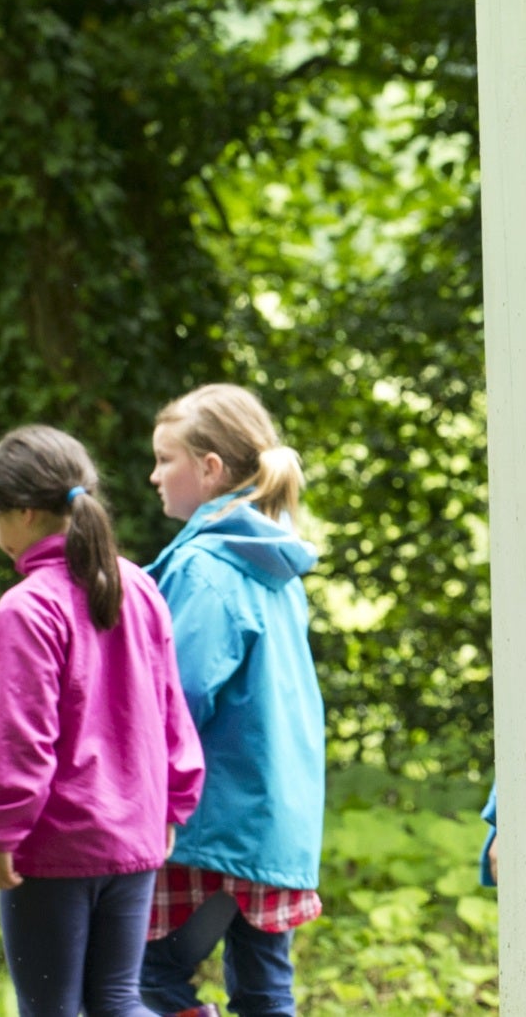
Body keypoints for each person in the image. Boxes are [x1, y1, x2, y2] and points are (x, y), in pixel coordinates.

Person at [0, 426, 203, 1017]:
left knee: (51, 1009)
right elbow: (173, 709)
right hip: (137, 837)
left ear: (21, 514)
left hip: (57, 845)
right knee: (117, 1003)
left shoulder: (27, 608)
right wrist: (171, 806)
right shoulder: (140, 587)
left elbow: (24, 743)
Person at [138, 385, 329, 1017]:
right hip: (275, 823)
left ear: (210, 468)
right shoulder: (274, 564)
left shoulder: (206, 568)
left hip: (211, 823)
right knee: (265, 993)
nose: (154, 475)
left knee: (146, 983)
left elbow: (178, 699)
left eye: (166, 459)